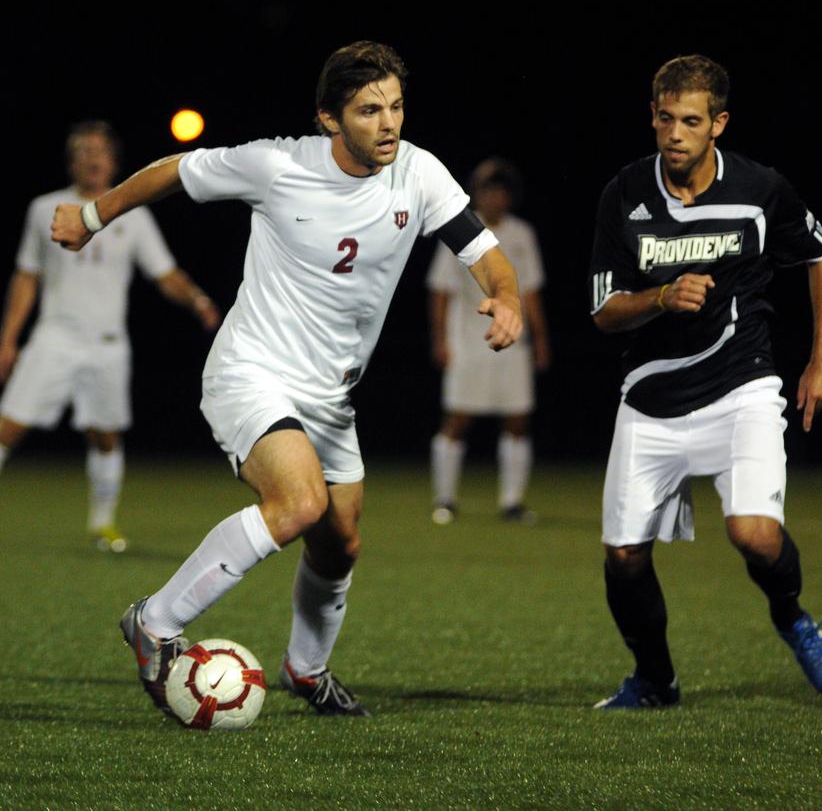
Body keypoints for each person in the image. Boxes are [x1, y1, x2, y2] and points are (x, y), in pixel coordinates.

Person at [51, 42, 522, 718]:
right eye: (368, 111)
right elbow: (174, 171)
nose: (388, 123)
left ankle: (306, 670)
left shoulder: (418, 173)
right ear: (330, 119)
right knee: (300, 503)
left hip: (330, 396)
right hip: (253, 370)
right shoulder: (277, 164)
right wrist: (94, 216)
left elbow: (484, 252)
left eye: (395, 107)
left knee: (341, 541)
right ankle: (153, 622)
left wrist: (503, 297)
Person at [588, 54, 822, 709]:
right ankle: (655, 678)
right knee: (623, 556)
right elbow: (603, 310)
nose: (675, 133)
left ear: (718, 125)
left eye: (692, 121)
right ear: (652, 117)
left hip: (742, 387)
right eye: (666, 118)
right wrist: (659, 296)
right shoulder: (624, 194)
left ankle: (790, 613)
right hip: (650, 398)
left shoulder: (760, 191)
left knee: (754, 532)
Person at [0, 121, 220, 552]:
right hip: (55, 337)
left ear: (113, 159)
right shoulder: (45, 208)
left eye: (99, 150)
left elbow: (164, 273)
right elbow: (27, 277)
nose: (92, 157)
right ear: (72, 160)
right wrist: (8, 338)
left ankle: (103, 524)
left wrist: (195, 298)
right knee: (8, 425)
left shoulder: (130, 213)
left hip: (107, 345)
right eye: (83, 150)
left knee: (105, 435)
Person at [427, 158, 550, 524]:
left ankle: (512, 500)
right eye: (487, 190)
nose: (494, 197)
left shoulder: (522, 235)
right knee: (457, 419)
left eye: (501, 190)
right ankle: (445, 498)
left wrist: (540, 339)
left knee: (517, 420)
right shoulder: (461, 229)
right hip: (467, 342)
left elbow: (530, 293)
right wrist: (440, 339)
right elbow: (440, 291)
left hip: (513, 342)